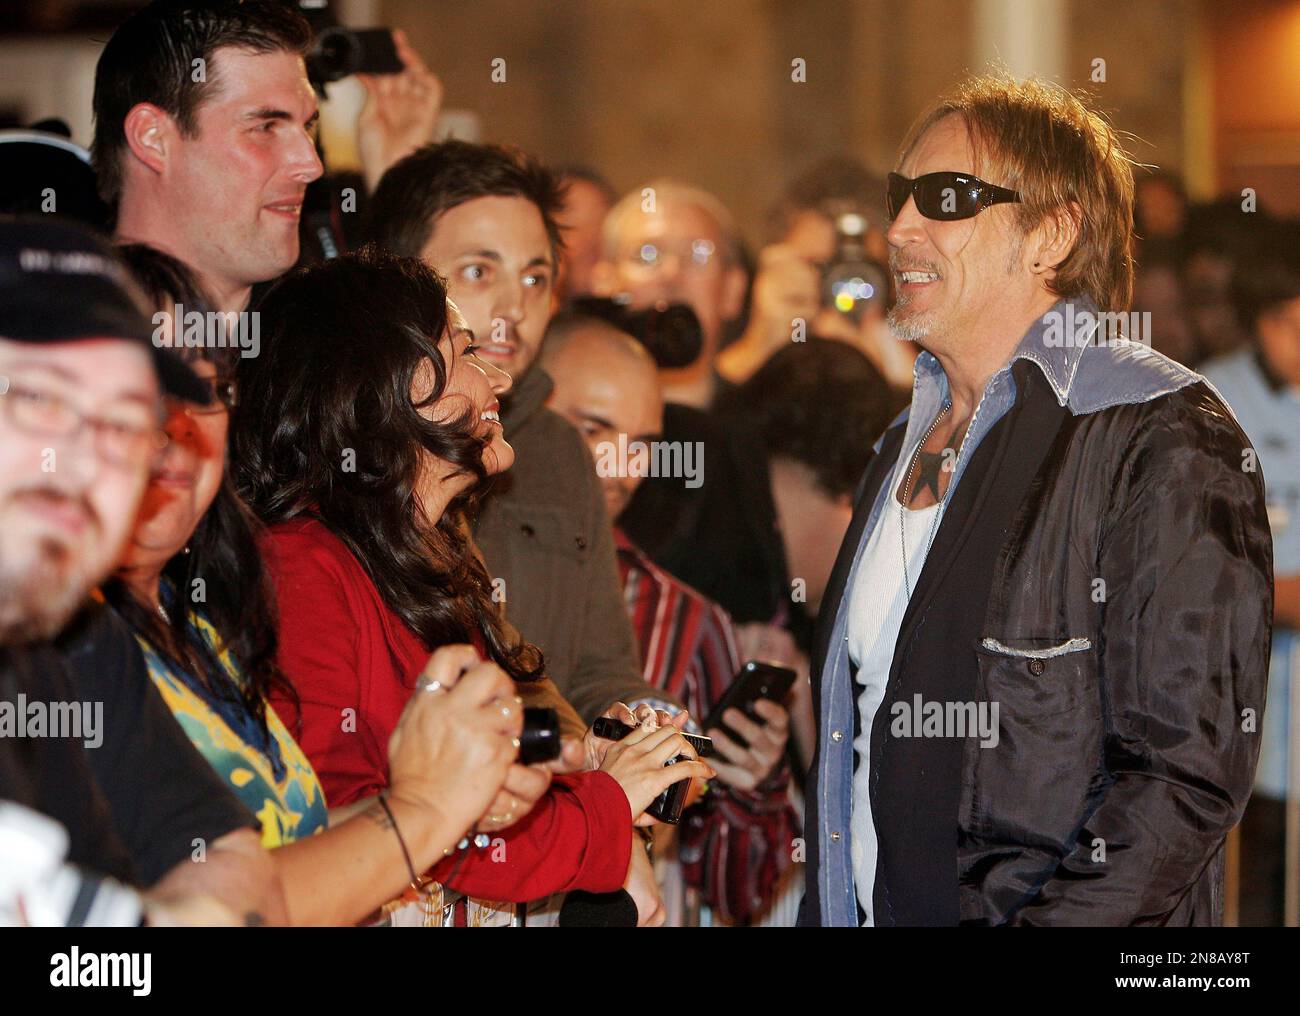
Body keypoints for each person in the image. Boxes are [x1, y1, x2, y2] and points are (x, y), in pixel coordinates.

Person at [802, 74, 1272, 927]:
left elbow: (1179, 781)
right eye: (899, 197)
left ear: (1050, 234)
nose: (900, 227)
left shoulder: (1162, 433)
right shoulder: (897, 442)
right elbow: (857, 740)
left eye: (946, 198)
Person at [233, 248, 711, 925]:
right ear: (378, 388)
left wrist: (580, 764)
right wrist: (604, 805)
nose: (502, 379)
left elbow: (474, 808)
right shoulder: (302, 569)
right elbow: (343, 831)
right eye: (464, 354)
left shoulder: (425, 564)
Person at [98, 243, 530, 926]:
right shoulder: (52, 650)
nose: (173, 432)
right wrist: (427, 810)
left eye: (206, 391)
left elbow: (281, 857)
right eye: (131, 396)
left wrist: (457, 792)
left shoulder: (191, 632)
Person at [0, 217, 277, 924]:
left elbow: (230, 872)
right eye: (38, 399)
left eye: (123, 424)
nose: (85, 461)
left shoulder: (43, 655)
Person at [366, 141, 664, 723]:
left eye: (536, 278)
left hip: (554, 793)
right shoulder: (342, 441)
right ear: (396, 280)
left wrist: (644, 724)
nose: (514, 307)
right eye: (478, 272)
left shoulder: (560, 452)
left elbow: (603, 668)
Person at [541, 312, 798, 924]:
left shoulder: (684, 616)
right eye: (592, 429)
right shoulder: (451, 581)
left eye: (642, 446)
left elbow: (742, 893)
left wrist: (750, 785)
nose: (621, 469)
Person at [92, 0, 323, 313]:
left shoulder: (325, 338)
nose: (311, 165)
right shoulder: (45, 343)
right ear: (152, 138)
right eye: (265, 127)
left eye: (307, 125)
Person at [1200, 220, 1300, 925]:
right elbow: (1205, 575)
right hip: (1247, 715)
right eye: (1291, 323)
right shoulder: (1213, 402)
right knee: (1258, 894)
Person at [715, 156, 916, 392]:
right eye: (819, 267)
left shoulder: (924, 360)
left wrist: (910, 395)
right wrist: (759, 347)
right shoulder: (752, 357)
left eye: (863, 269)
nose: (840, 286)